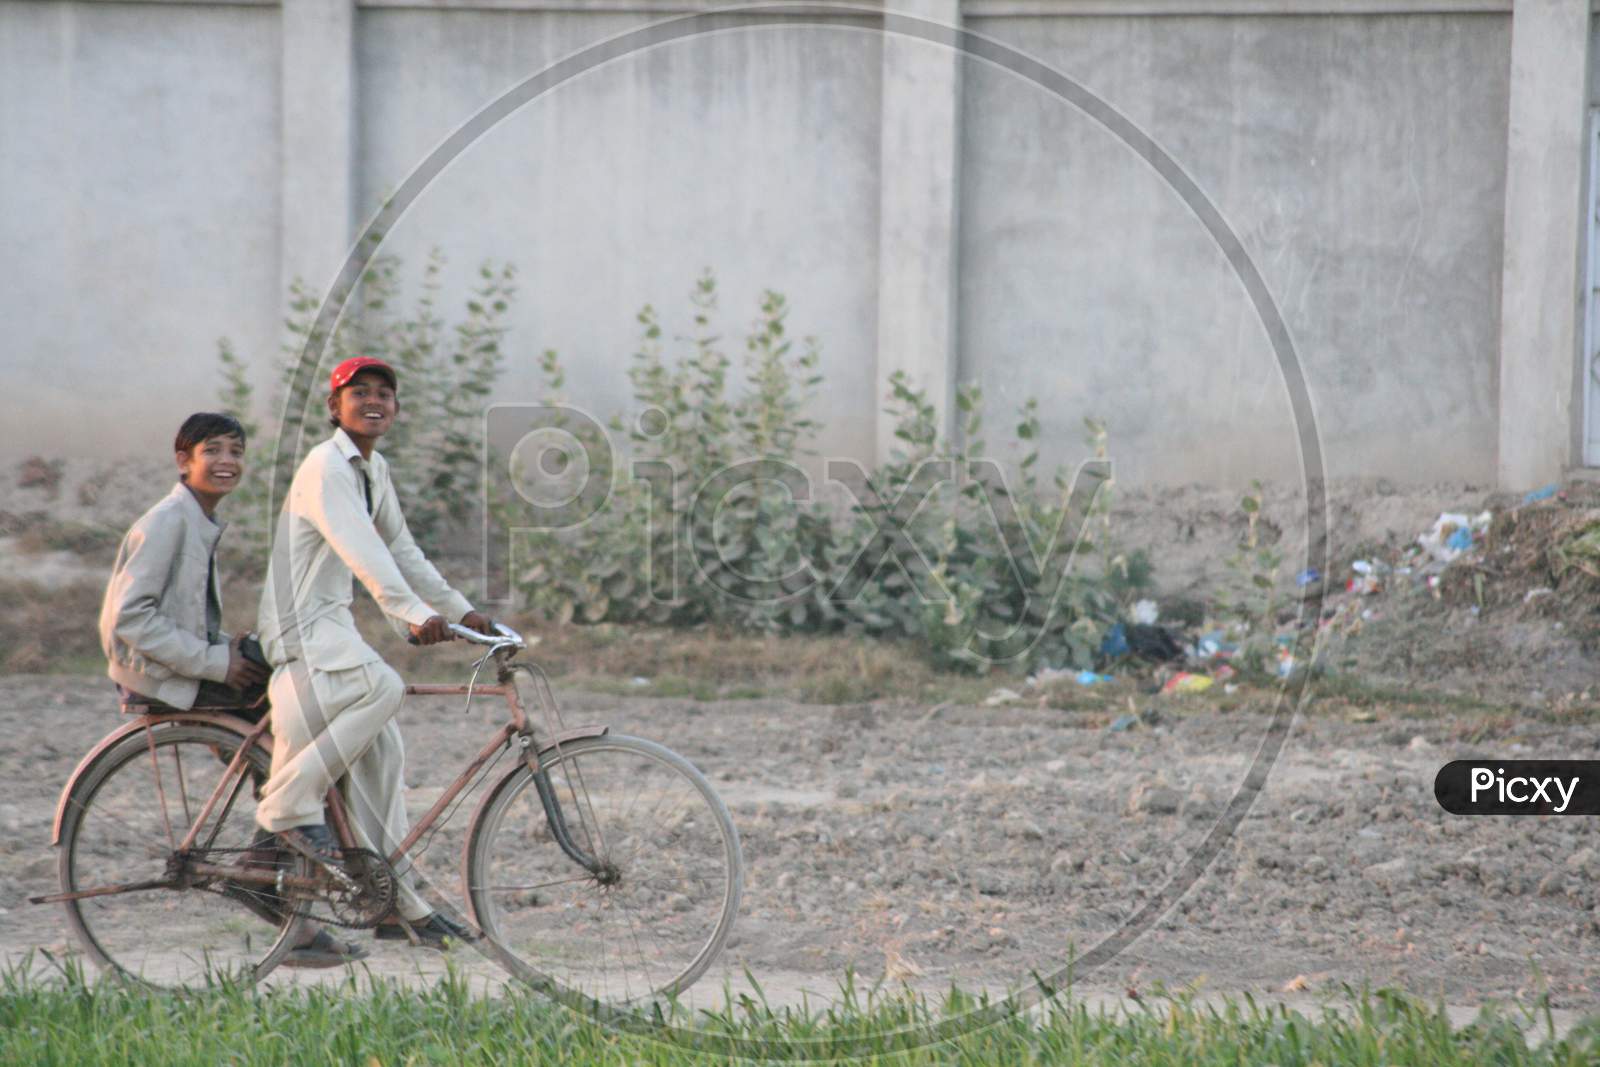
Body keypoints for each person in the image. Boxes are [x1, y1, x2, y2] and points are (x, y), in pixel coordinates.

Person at [99, 411, 365, 968]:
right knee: (309, 730)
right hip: (162, 681)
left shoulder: (198, 518)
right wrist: (216, 663)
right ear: (184, 460)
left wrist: (226, 645)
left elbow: (181, 614)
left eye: (235, 452)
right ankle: (270, 870)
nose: (226, 462)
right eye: (212, 450)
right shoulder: (169, 520)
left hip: (185, 668)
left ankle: (282, 889)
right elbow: (129, 619)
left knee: (298, 725)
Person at [254, 356, 493, 950]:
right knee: (381, 687)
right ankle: (286, 804)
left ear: (396, 410)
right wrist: (411, 616)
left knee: (384, 752)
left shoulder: (372, 470)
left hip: (330, 625)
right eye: (358, 393)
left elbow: (404, 552)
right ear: (335, 408)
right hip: (300, 627)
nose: (373, 401)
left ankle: (395, 902)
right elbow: (364, 552)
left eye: (384, 393)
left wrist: (463, 613)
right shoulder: (325, 466)